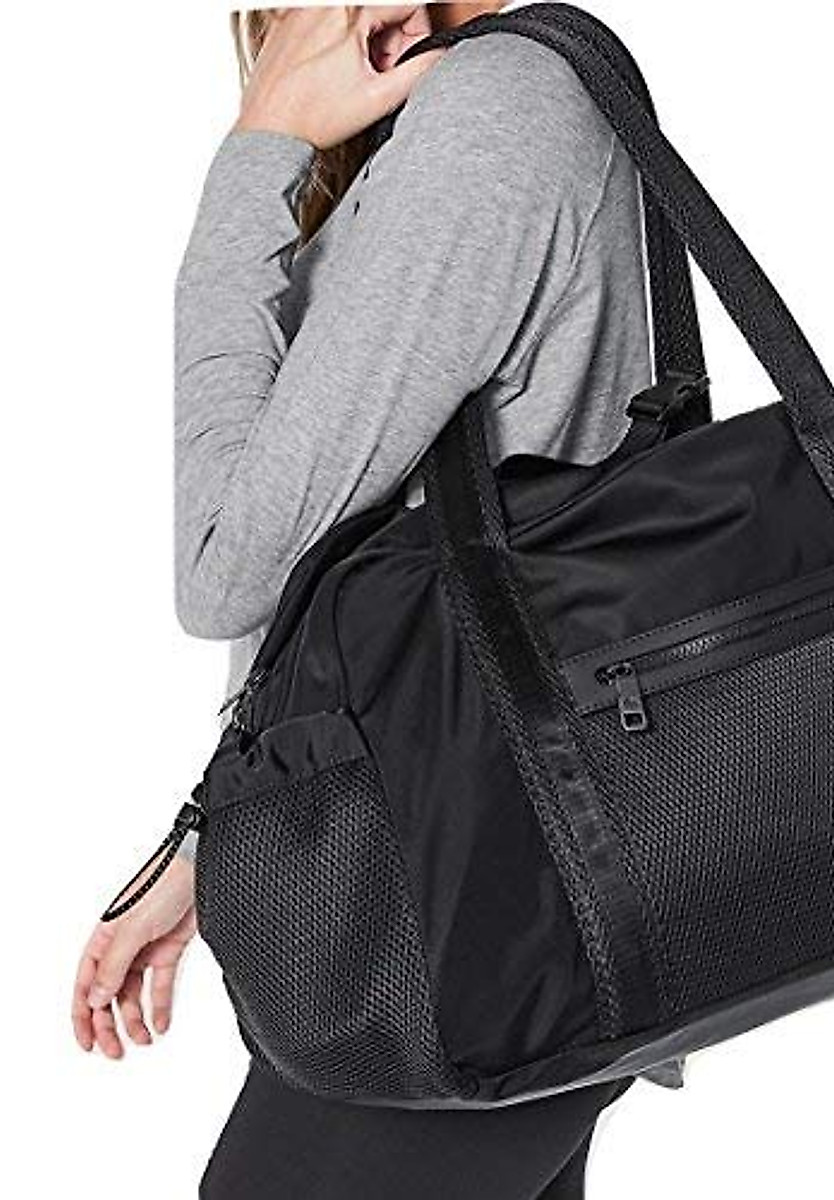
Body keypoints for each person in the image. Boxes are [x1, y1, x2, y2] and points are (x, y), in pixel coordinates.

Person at [70, 5, 653, 1195]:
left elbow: (225, 564)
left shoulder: (496, 113)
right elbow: (390, 576)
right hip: (504, 896)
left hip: (459, 924)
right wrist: (220, 830)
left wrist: (257, 154)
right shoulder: (505, 96)